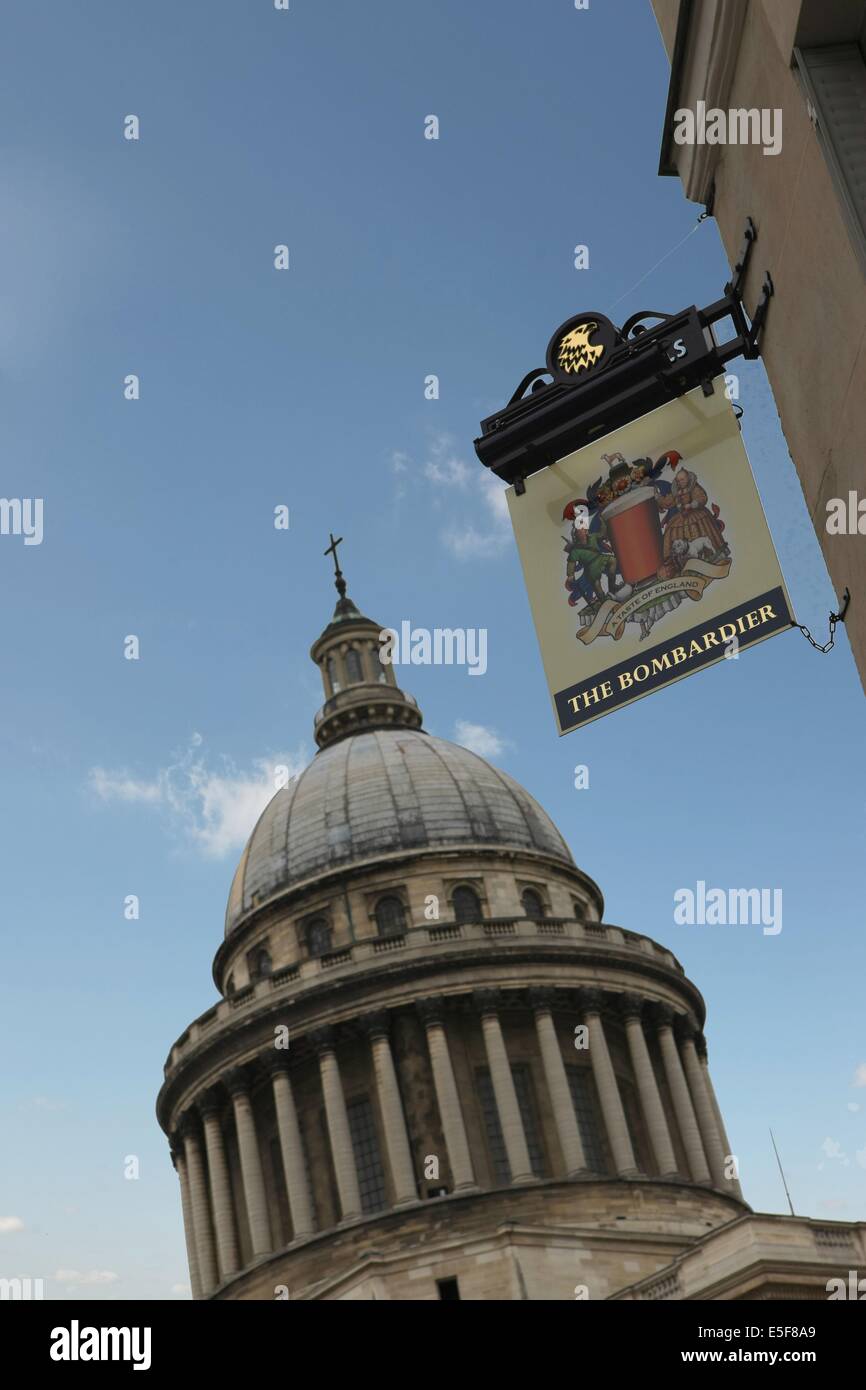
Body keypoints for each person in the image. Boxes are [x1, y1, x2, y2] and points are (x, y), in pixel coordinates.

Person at [656, 467, 727, 559]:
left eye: (682, 479)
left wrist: (692, 504)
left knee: (700, 530)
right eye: (678, 481)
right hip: (682, 516)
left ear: (688, 478)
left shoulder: (693, 488)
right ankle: (681, 560)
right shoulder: (677, 491)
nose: (680, 482)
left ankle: (713, 554)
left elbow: (702, 497)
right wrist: (658, 498)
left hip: (696, 513)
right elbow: (668, 502)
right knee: (671, 530)